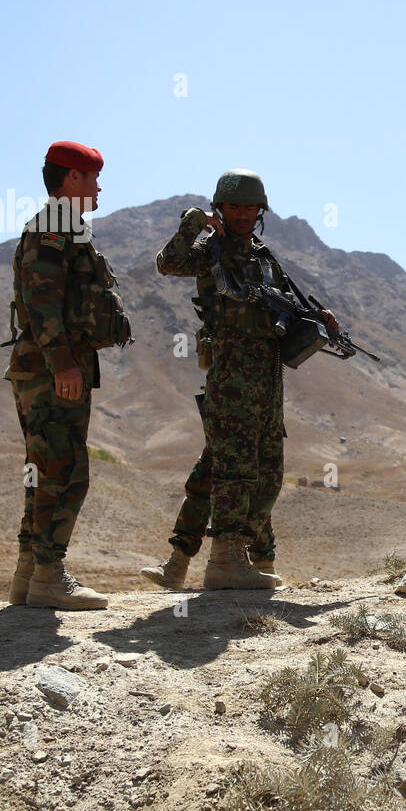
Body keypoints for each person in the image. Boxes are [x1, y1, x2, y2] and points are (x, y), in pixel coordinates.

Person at [155, 169, 333, 589]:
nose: (242, 214)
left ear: (260, 210)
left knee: (266, 472)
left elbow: (286, 303)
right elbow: (168, 263)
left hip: (268, 376)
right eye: (234, 206)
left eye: (250, 207)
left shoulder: (264, 255)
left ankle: (218, 558)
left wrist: (318, 316)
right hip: (231, 374)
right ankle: (226, 559)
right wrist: (195, 220)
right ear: (221, 207)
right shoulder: (209, 251)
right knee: (233, 469)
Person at [4, 140, 131, 610]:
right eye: (93, 177)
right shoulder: (56, 226)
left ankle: (29, 575)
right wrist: (62, 363)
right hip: (51, 367)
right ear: (73, 178)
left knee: (47, 470)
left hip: (52, 364)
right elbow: (41, 301)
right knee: (66, 471)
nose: (99, 187)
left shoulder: (63, 226)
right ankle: (49, 574)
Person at [140, 388, 276, 589]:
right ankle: (177, 564)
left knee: (252, 483)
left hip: (258, 403)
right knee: (207, 477)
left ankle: (263, 565)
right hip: (228, 401)